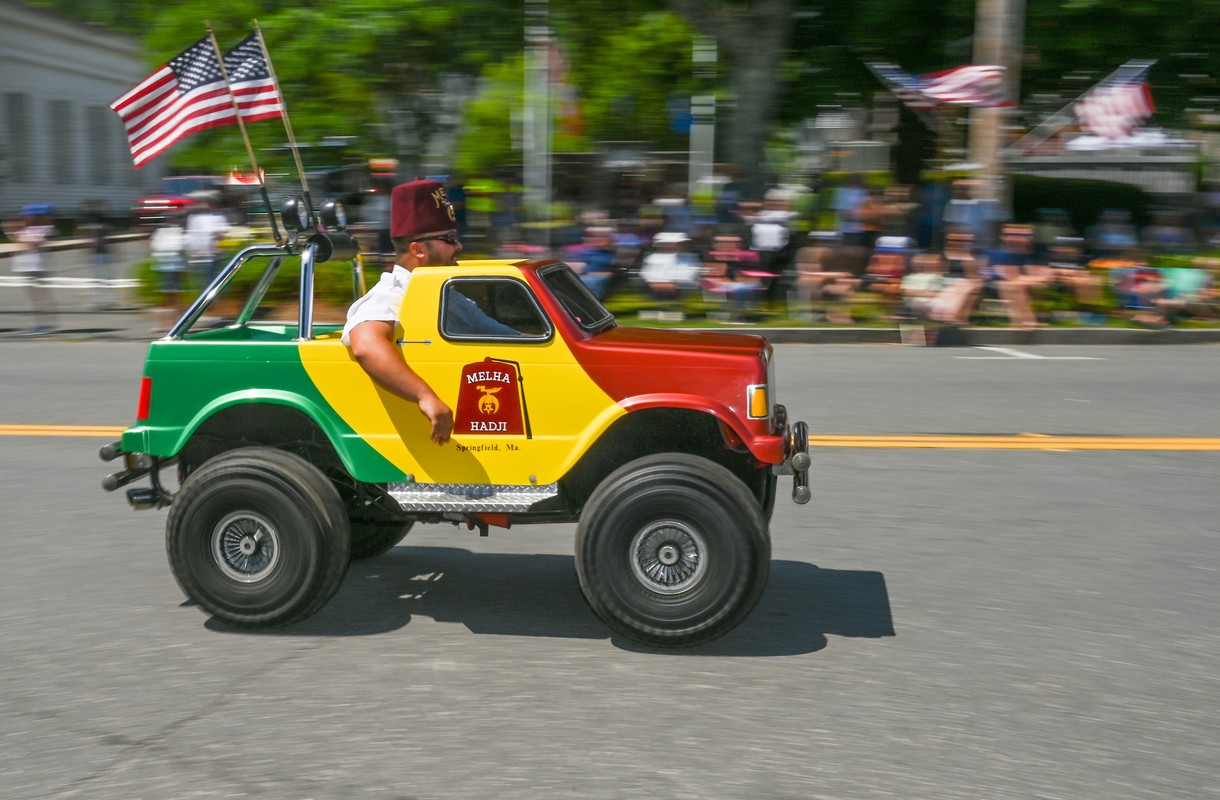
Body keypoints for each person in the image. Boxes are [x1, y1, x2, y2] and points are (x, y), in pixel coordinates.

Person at [342, 179, 465, 446]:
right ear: (418, 250)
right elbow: (366, 343)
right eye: (450, 239)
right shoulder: (394, 294)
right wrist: (425, 396)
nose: (459, 247)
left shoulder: (445, 289)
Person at [3, 206, 58, 335]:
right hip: (26, 265)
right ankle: (40, 324)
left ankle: (46, 325)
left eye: (27, 215)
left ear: (35, 216)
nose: (25, 217)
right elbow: (18, 241)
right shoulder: (27, 229)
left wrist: (15, 233)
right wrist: (11, 232)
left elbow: (33, 244)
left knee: (39, 298)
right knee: (32, 298)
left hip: (35, 266)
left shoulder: (45, 229)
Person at [149, 212, 189, 329]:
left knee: (174, 297)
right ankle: (165, 324)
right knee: (168, 297)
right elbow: (155, 245)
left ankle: (175, 324)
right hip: (165, 266)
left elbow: (179, 246)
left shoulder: (173, 231)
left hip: (173, 267)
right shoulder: (165, 231)